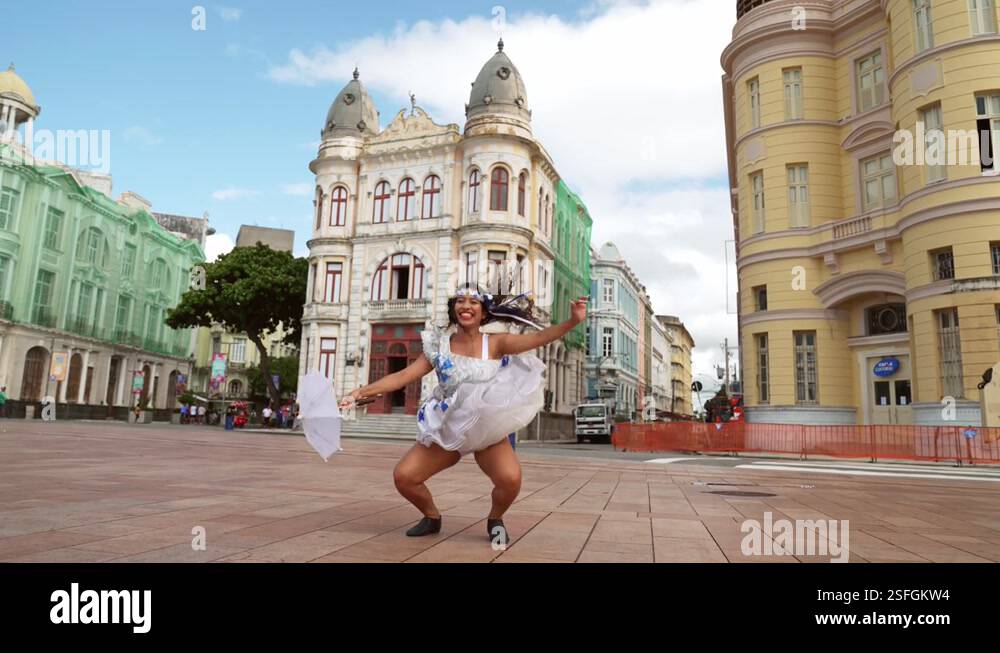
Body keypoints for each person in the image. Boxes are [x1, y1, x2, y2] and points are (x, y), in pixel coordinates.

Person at [341, 284, 587, 547]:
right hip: (448, 427)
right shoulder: (439, 348)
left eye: (473, 301)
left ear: (483, 313)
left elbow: (538, 339)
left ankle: (495, 519)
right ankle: (431, 517)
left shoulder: (496, 342)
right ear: (453, 309)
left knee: (510, 480)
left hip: (487, 428)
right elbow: (403, 376)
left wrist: (573, 320)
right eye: (460, 300)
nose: (465, 305)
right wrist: (358, 393)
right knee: (405, 478)